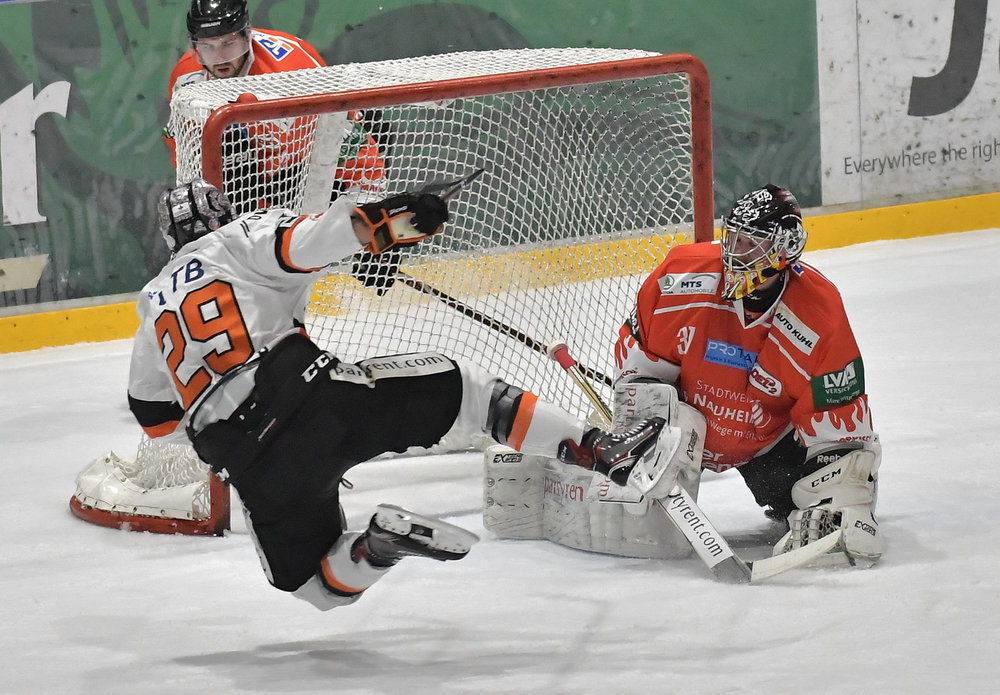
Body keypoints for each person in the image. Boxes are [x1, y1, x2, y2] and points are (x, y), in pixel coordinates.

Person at [127, 178, 660, 610]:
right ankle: (598, 448)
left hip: (240, 457)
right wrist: (393, 222)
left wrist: (238, 426)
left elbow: (153, 417)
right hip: (311, 397)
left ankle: (374, 547)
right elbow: (313, 240)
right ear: (221, 215)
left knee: (313, 588)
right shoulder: (237, 237)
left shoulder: (151, 303)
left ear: (170, 243)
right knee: (468, 393)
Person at [610, 183, 883, 568]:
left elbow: (839, 429)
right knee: (627, 498)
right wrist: (638, 433)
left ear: (785, 247)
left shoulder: (819, 315)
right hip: (686, 432)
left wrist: (845, 498)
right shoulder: (678, 279)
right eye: (733, 239)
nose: (734, 255)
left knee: (821, 497)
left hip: (768, 443)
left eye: (751, 244)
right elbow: (641, 381)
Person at [164, 0, 385, 209]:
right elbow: (183, 151)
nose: (220, 58)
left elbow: (355, 146)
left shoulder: (293, 73)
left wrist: (369, 205)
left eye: (228, 44)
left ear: (246, 35)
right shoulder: (187, 79)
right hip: (254, 177)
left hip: (310, 169)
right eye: (207, 47)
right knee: (225, 143)